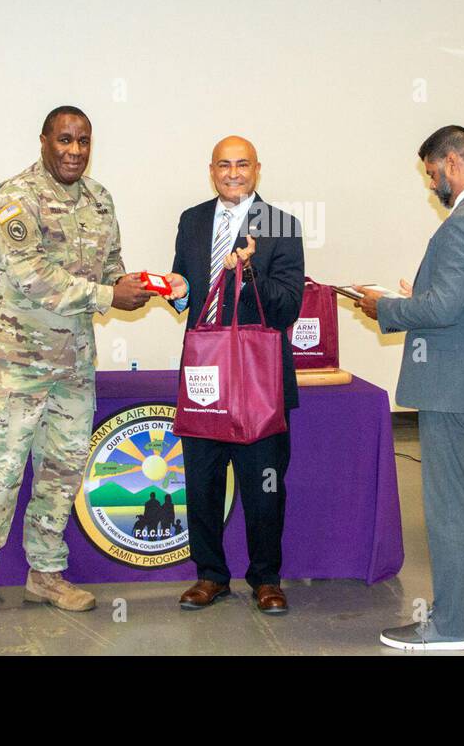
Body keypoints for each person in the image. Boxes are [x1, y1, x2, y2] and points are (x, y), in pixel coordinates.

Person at [0, 106, 152, 628]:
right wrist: (109, 294)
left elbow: (111, 265)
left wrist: (144, 287)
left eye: (84, 141)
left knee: (62, 473)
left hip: (72, 365)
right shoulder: (15, 198)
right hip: (15, 363)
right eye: (65, 140)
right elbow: (31, 275)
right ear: (43, 141)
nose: (75, 151)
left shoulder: (100, 200)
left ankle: (45, 573)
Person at [357, 125, 464, 651]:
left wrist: (383, 306)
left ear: (451, 162)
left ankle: (450, 627)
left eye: (432, 173)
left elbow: (444, 310)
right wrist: (422, 297)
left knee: (454, 505)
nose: (433, 185)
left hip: (453, 387)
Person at [162, 136, 304, 615]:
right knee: (201, 483)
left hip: (259, 379)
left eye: (242, 164)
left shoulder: (281, 225)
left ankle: (266, 578)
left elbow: (288, 307)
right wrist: (176, 291)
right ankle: (210, 576)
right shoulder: (192, 220)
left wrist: (248, 271)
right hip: (205, 373)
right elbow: (185, 291)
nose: (233, 173)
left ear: (257, 169)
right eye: (224, 165)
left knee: (263, 486)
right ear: (211, 170)